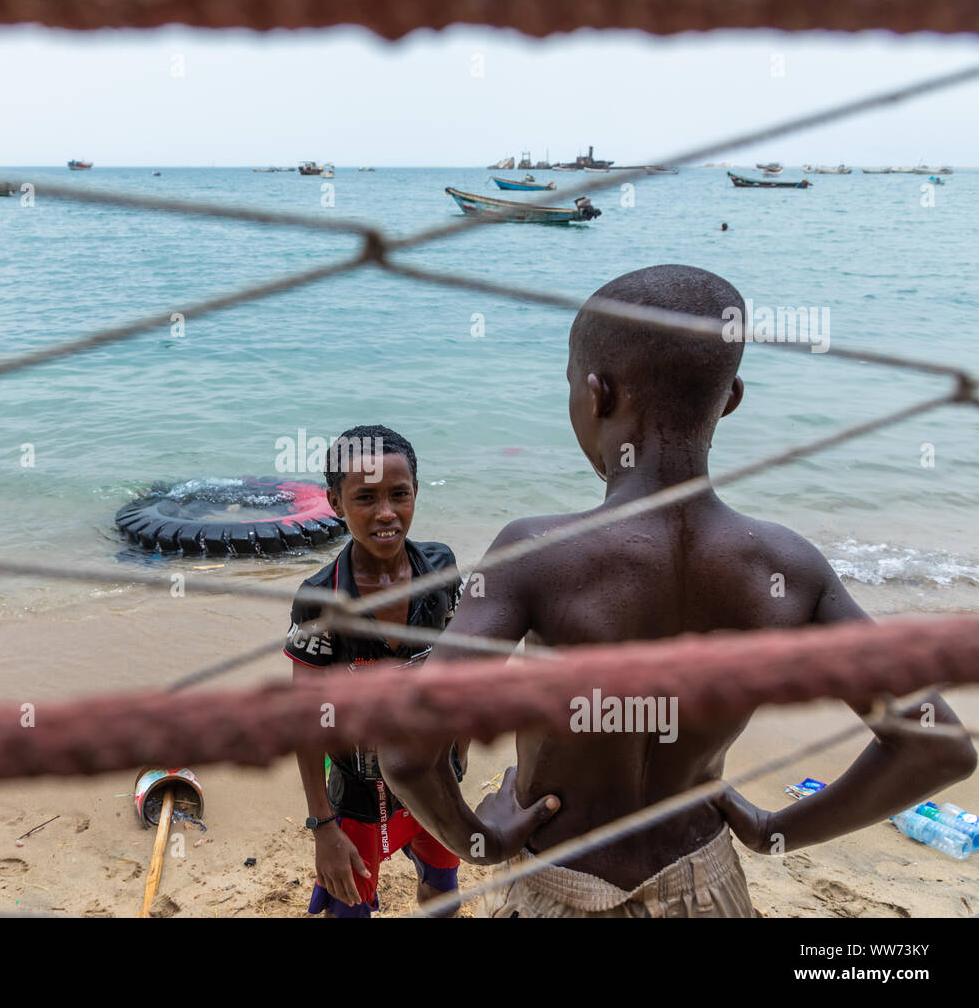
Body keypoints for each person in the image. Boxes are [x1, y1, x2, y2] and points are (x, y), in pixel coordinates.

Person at [380, 265, 977, 917]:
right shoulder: (787, 566)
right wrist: (776, 829)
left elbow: (409, 747)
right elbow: (935, 743)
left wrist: (480, 840)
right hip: (704, 884)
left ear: (595, 394)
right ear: (731, 398)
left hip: (558, 885)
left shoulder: (536, 554)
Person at [285, 424, 466, 917]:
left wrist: (460, 758)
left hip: (434, 780)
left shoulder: (442, 572)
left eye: (399, 494)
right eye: (365, 497)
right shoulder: (321, 600)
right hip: (359, 795)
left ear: (415, 494)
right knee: (351, 906)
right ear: (335, 503)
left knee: (441, 888)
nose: (386, 513)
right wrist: (323, 826)